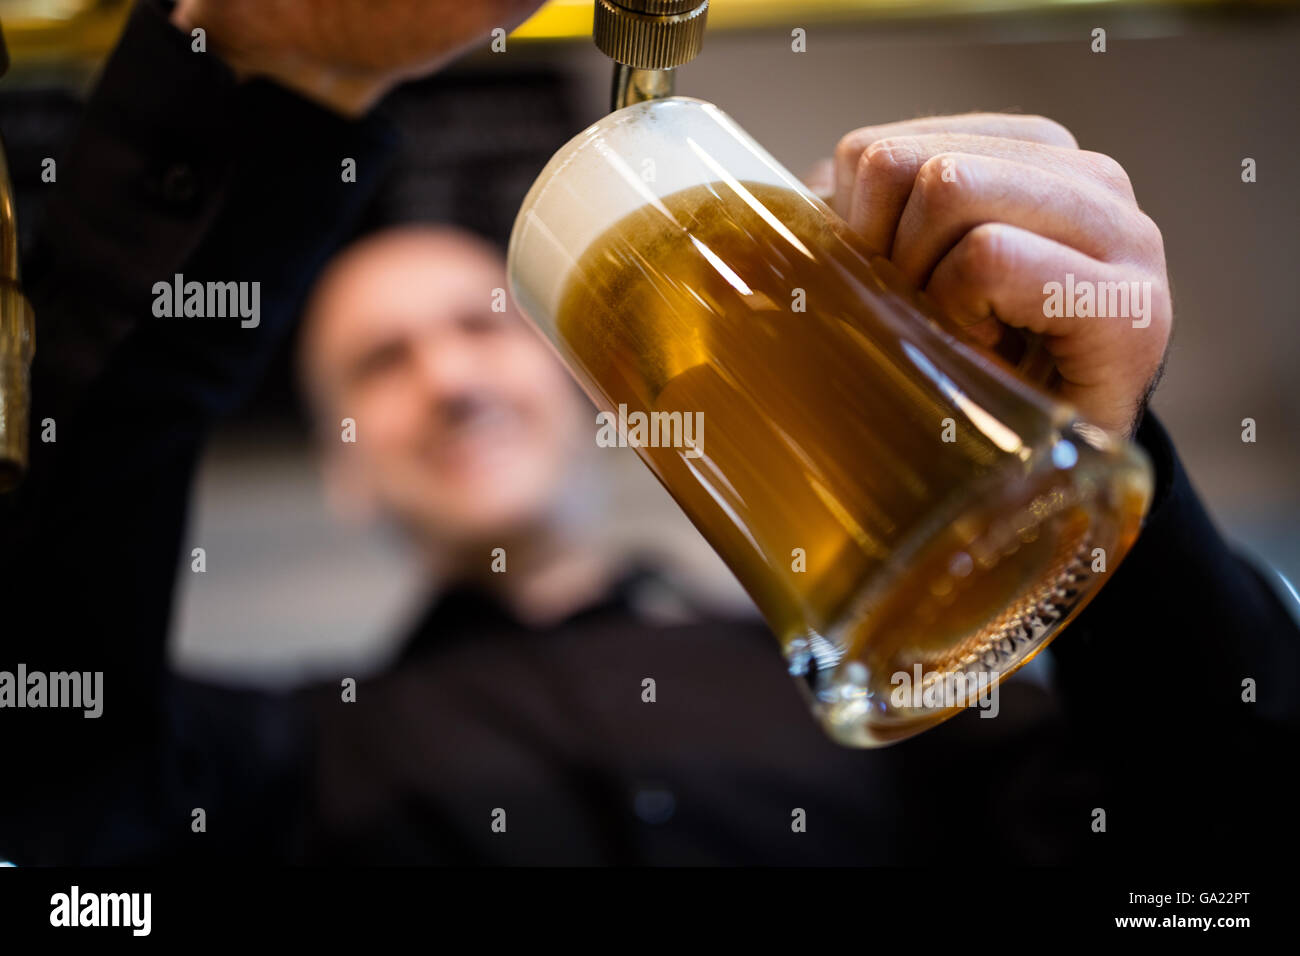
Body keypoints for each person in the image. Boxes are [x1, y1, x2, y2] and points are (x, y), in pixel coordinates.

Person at [0, 0, 1295, 865]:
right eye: (381, 365)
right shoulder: (271, 756)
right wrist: (257, 76)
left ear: (602, 384)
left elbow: (1219, 848)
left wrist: (1098, 446)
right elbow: (42, 760)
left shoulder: (927, 697)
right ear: (344, 469)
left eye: (483, 325)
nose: (450, 379)